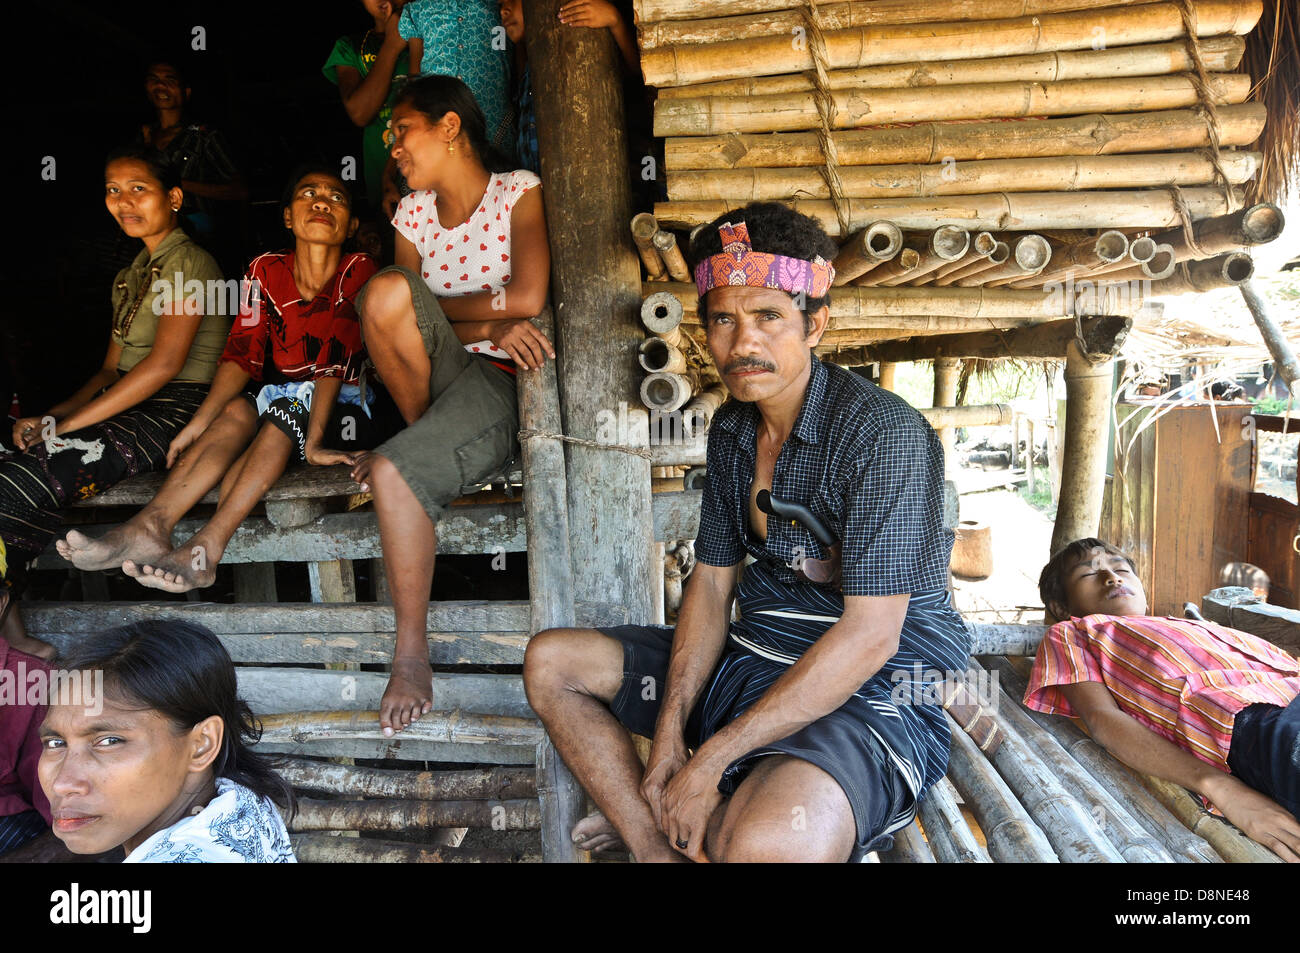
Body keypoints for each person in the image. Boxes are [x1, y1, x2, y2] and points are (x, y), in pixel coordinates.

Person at [523, 202, 970, 863]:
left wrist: (711, 759)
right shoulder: (733, 430)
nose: (743, 343)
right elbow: (709, 585)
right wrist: (671, 735)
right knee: (553, 663)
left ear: (815, 323)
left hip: (871, 681)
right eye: (724, 319)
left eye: (768, 317)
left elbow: (871, 636)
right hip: (755, 657)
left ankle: (728, 807)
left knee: (762, 842)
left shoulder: (884, 435)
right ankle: (654, 848)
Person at [57, 167, 396, 593]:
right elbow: (241, 354)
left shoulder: (360, 267)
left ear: (349, 226)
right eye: (308, 193)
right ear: (288, 217)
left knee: (285, 412)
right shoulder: (263, 270)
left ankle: (206, 549)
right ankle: (149, 526)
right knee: (239, 408)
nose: (322, 201)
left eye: (336, 198)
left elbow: (334, 357)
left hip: (349, 409)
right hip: (286, 404)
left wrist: (313, 442)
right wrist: (200, 424)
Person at [349, 74, 550, 736]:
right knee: (383, 292)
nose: (393, 148)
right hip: (440, 375)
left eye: (401, 130)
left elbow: (525, 298)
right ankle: (422, 447)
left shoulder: (517, 192)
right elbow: (406, 309)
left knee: (387, 471)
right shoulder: (410, 215)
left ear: (450, 128)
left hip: (499, 381)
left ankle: (410, 656)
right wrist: (485, 324)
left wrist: (490, 327)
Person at [0, 148, 228, 611]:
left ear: (175, 197)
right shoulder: (129, 275)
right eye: (113, 190)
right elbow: (109, 370)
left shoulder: (191, 262)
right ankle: (15, 622)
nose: (125, 201)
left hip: (173, 407)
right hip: (127, 401)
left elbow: (164, 365)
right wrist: (53, 417)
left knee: (15, 484)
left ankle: (9, 614)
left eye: (139, 189)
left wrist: (64, 430)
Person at [1026, 538, 1300, 861]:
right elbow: (1103, 721)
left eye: (1121, 569)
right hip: (1250, 723)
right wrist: (1220, 788)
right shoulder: (1073, 634)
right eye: (1089, 574)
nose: (1112, 578)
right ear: (1060, 607)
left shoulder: (1183, 625)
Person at [38, 619, 296, 863]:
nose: (63, 784)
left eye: (110, 741)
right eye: (55, 743)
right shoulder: (238, 803)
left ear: (201, 745)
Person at [497, 0, 643, 177]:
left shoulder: (576, 42)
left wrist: (615, 20)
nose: (504, 10)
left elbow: (638, 71)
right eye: (500, 5)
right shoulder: (527, 64)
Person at [138, 60, 247, 264]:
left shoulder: (203, 135)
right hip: (146, 231)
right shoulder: (142, 136)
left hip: (194, 233)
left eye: (169, 80)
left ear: (185, 91)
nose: (161, 85)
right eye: (154, 79)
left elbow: (239, 190)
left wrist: (178, 184)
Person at [323, 0, 411, 211]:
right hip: (386, 191)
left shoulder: (431, 38)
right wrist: (391, 45)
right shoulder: (350, 47)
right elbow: (360, 113)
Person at [397, 1, 510, 151]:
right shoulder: (419, 8)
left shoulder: (498, 4)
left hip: (492, 112)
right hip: (438, 111)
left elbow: (516, 50)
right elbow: (416, 74)